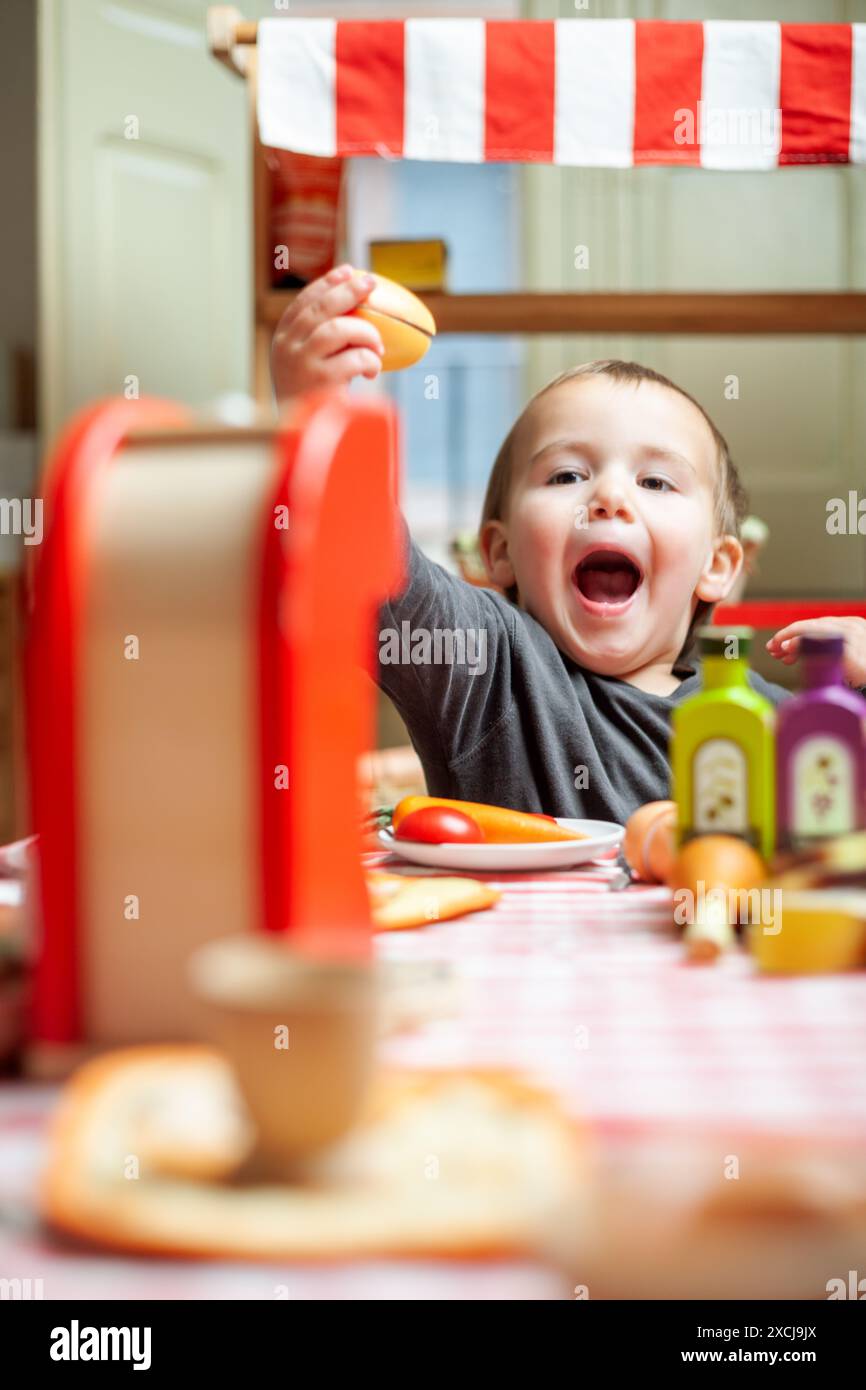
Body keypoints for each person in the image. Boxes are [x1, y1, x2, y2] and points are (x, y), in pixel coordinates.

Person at [271, 265, 866, 823]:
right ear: (499, 553)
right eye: (566, 476)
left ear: (718, 564)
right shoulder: (485, 666)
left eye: (655, 481)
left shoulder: (766, 717)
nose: (609, 497)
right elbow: (368, 567)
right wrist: (316, 410)